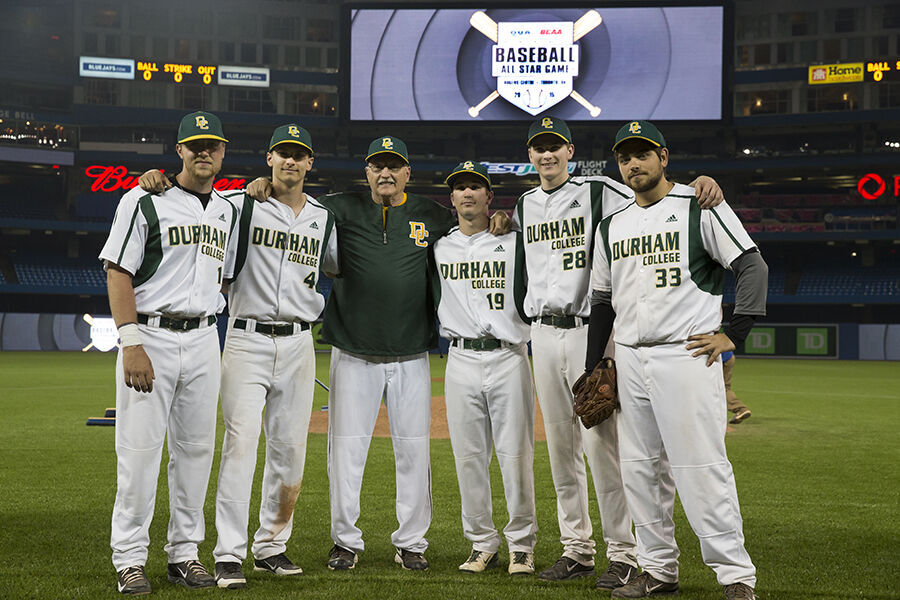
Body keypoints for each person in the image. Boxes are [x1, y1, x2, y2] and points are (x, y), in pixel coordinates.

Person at [515, 116, 724, 589]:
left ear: (570, 150)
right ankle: (576, 549)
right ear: (530, 155)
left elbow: (654, 194)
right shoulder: (524, 204)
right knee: (561, 448)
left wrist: (703, 184)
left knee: (602, 446)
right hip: (543, 335)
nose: (546, 155)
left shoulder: (600, 191)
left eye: (555, 146)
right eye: (537, 148)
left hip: (590, 329)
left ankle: (625, 553)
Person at [586, 120, 766, 600]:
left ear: (663, 158)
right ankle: (658, 571)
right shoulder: (612, 225)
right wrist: (593, 365)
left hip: (686, 355)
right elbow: (602, 301)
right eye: (625, 157)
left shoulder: (699, 204)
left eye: (643, 154)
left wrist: (734, 333)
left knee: (701, 465)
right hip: (629, 358)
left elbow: (751, 265)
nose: (633, 164)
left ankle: (734, 575)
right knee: (640, 470)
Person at [100, 111, 238, 595]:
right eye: (194, 144)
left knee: (195, 452)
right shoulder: (143, 198)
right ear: (178, 150)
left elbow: (224, 275)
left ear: (222, 152)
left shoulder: (228, 210)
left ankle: (184, 554)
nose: (204, 152)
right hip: (151, 336)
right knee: (139, 452)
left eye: (212, 145)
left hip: (204, 337)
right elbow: (118, 271)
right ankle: (130, 558)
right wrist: (131, 340)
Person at [432, 161, 537, 576]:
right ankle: (481, 542)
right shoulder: (439, 247)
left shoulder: (515, 241)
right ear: (452, 198)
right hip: (459, 357)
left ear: (490, 197)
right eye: (460, 188)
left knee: (516, 456)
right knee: (469, 456)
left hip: (509, 355)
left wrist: (510, 224)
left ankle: (522, 545)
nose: (468, 194)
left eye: (476, 187)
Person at [721, 350, 751, 424]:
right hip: (728, 356)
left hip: (718, 359)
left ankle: (740, 409)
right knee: (724, 388)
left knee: (721, 389)